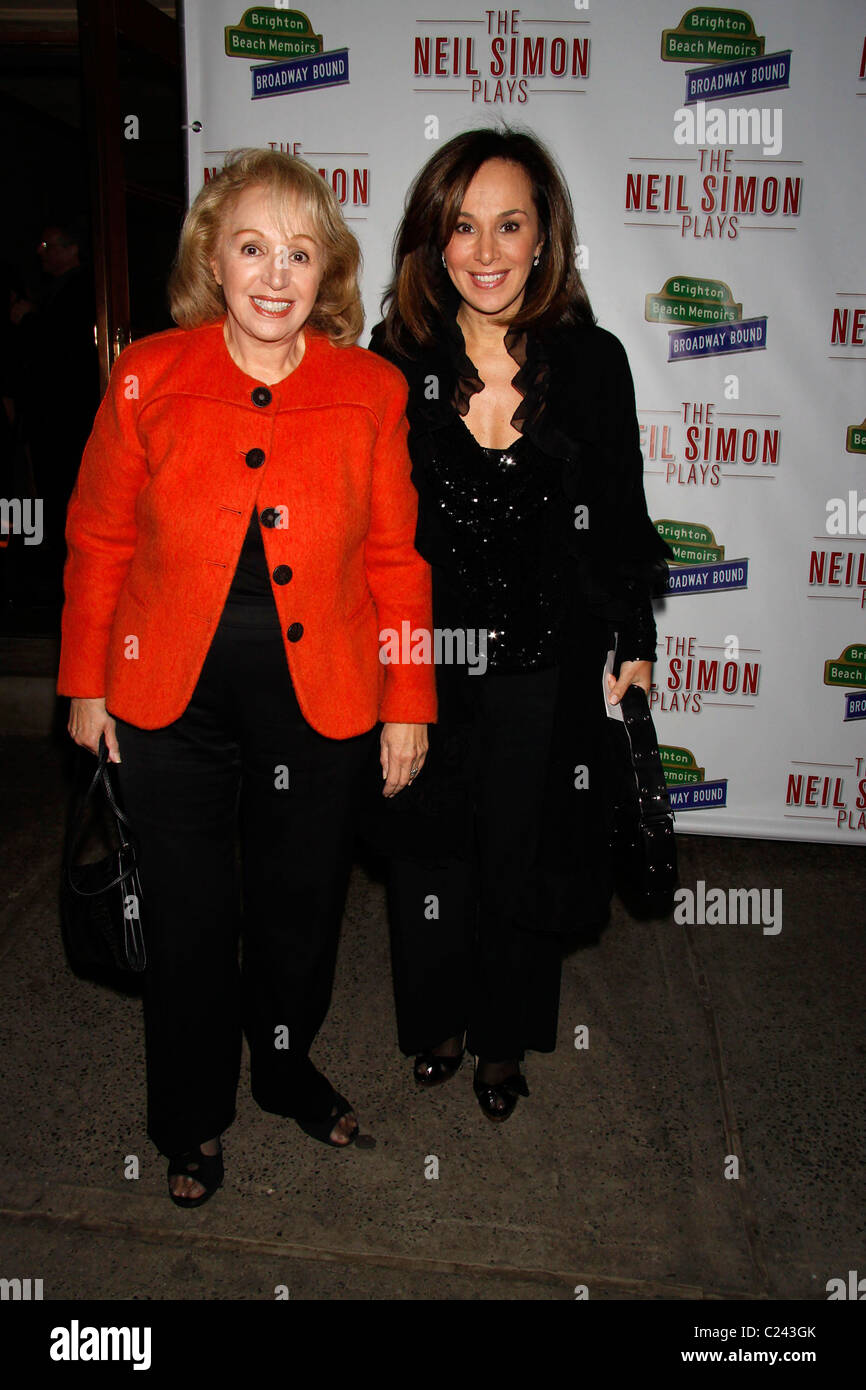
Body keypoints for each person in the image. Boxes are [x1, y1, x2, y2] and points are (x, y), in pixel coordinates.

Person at [57, 148, 435, 1205]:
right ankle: (188, 1113)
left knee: (299, 907)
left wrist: (407, 696)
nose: (276, 274)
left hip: (317, 694)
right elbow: (95, 538)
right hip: (168, 690)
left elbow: (398, 564)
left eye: (300, 252)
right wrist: (87, 683)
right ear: (212, 261)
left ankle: (279, 1065)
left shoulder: (370, 390)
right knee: (186, 915)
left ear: (328, 272)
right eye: (253, 247)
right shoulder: (147, 375)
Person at [367, 127, 670, 1122]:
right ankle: (438, 1023)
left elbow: (620, 517)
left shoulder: (590, 364)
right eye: (462, 226)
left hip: (548, 658)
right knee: (428, 851)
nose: (486, 251)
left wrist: (631, 643)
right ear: (431, 239)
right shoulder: (396, 362)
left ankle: (503, 1041)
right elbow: (374, 534)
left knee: (525, 851)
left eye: (509, 224)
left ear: (544, 239)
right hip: (428, 659)